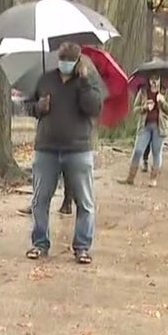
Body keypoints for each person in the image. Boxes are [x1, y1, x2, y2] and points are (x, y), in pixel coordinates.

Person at [23, 42, 103, 263]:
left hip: (78, 149)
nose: (65, 64)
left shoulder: (86, 81)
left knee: (85, 202)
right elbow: (28, 105)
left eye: (69, 60)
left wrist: (85, 82)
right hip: (46, 148)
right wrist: (39, 106)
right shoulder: (46, 79)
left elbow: (94, 108)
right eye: (62, 59)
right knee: (40, 199)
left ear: (78, 61)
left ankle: (82, 246)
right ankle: (39, 243)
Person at [118, 73, 168, 187]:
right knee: (138, 150)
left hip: (159, 127)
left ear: (159, 80)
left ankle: (153, 178)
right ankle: (130, 177)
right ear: (148, 80)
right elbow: (135, 109)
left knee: (156, 152)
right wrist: (145, 107)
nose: (154, 82)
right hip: (145, 125)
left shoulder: (166, 92)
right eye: (152, 79)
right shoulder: (143, 92)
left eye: (156, 79)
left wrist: (162, 102)